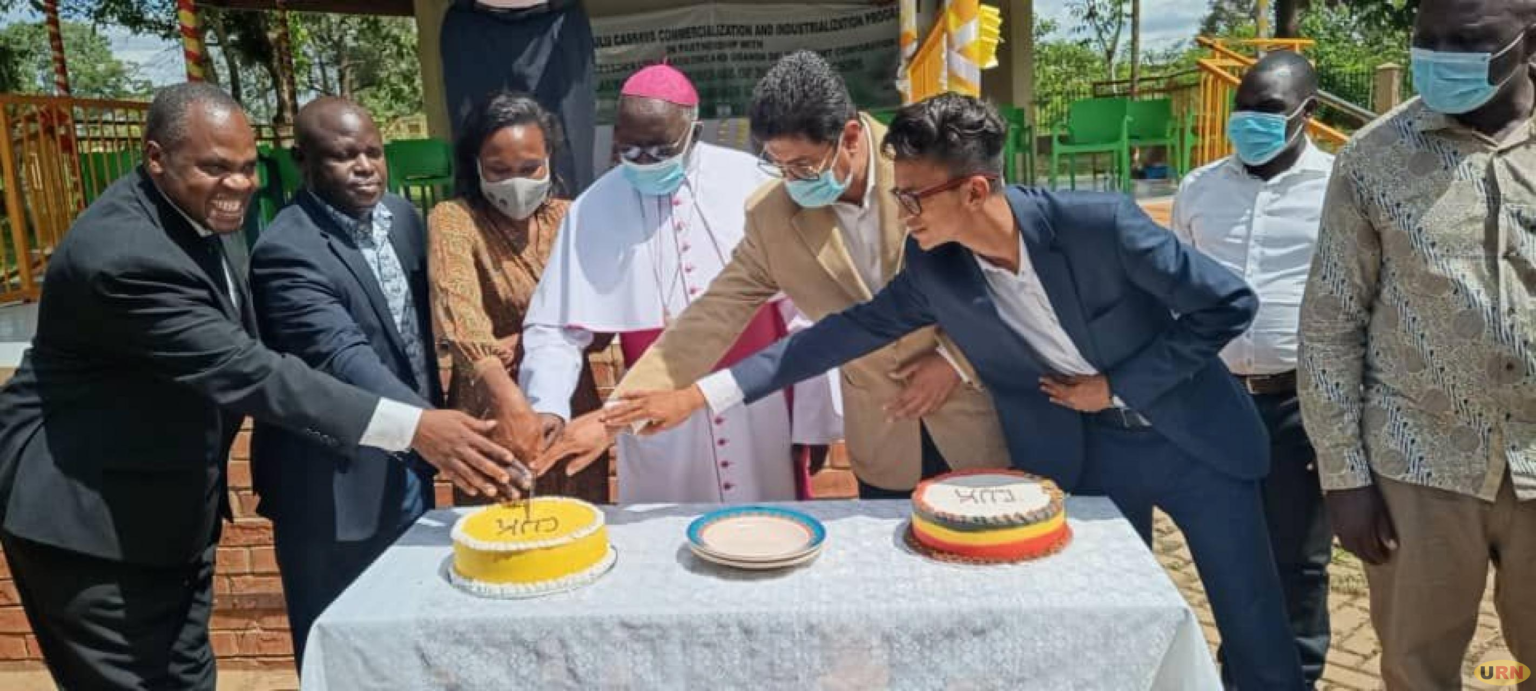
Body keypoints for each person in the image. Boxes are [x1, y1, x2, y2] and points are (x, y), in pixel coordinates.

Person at [607, 94, 1305, 688]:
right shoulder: (934, 266)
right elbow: (834, 336)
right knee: (1114, 630)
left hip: (1196, 444)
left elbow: (1228, 304)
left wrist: (1118, 384)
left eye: (911, 196)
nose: (900, 209)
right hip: (1091, 460)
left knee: (1254, 630)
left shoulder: (1101, 225)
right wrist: (699, 396)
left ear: (974, 189)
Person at [0, 83, 526, 690]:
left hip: (166, 510)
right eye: (214, 168)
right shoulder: (123, 255)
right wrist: (418, 427)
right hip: (86, 521)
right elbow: (254, 372)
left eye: (248, 168)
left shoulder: (193, 213)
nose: (238, 184)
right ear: (154, 158)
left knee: (189, 678)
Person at [539, 51, 1006, 499]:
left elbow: (1001, 273)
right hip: (883, 438)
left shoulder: (926, 169)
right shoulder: (773, 214)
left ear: (848, 136)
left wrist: (953, 360)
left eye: (803, 165)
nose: (791, 180)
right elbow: (712, 315)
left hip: (968, 417)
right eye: (778, 165)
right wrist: (612, 419)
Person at [1299, 2, 1536, 686]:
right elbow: (1329, 325)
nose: (1439, 57)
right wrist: (1345, 478)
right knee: (1416, 666)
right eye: (1426, 40)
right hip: (1418, 466)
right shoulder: (1372, 159)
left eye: (1465, 42)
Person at [518, 64, 837, 503]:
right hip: (652, 405)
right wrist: (548, 402)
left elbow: (804, 308)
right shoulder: (593, 208)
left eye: (660, 150)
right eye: (629, 151)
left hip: (755, 399)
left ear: (695, 131)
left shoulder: (754, 183)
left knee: (767, 528)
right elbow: (554, 325)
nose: (644, 162)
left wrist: (812, 418)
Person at [247, 97, 480, 666]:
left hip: (408, 469)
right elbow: (343, 356)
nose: (365, 167)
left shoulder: (403, 219)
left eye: (374, 152)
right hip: (332, 485)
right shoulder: (286, 249)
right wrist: (429, 427)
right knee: (340, 638)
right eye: (344, 156)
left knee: (407, 626)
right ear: (303, 160)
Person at [1171, 52, 1334, 688]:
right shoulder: (1199, 188)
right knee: (1231, 556)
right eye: (1243, 109)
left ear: (1307, 114)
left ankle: (1298, 676)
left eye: (1268, 111)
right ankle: (1239, 672)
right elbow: (1174, 288)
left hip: (1301, 403)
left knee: (1298, 562)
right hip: (1218, 404)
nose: (1249, 123)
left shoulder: (1341, 186)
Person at [428, 91, 607, 504]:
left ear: (550, 161)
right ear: (476, 167)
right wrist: (503, 391)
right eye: (499, 170)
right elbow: (458, 309)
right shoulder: (455, 220)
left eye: (530, 169)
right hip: (489, 406)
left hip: (569, 403)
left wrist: (525, 343)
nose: (516, 183)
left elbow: (597, 319)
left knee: (573, 527)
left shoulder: (571, 217)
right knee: (498, 534)